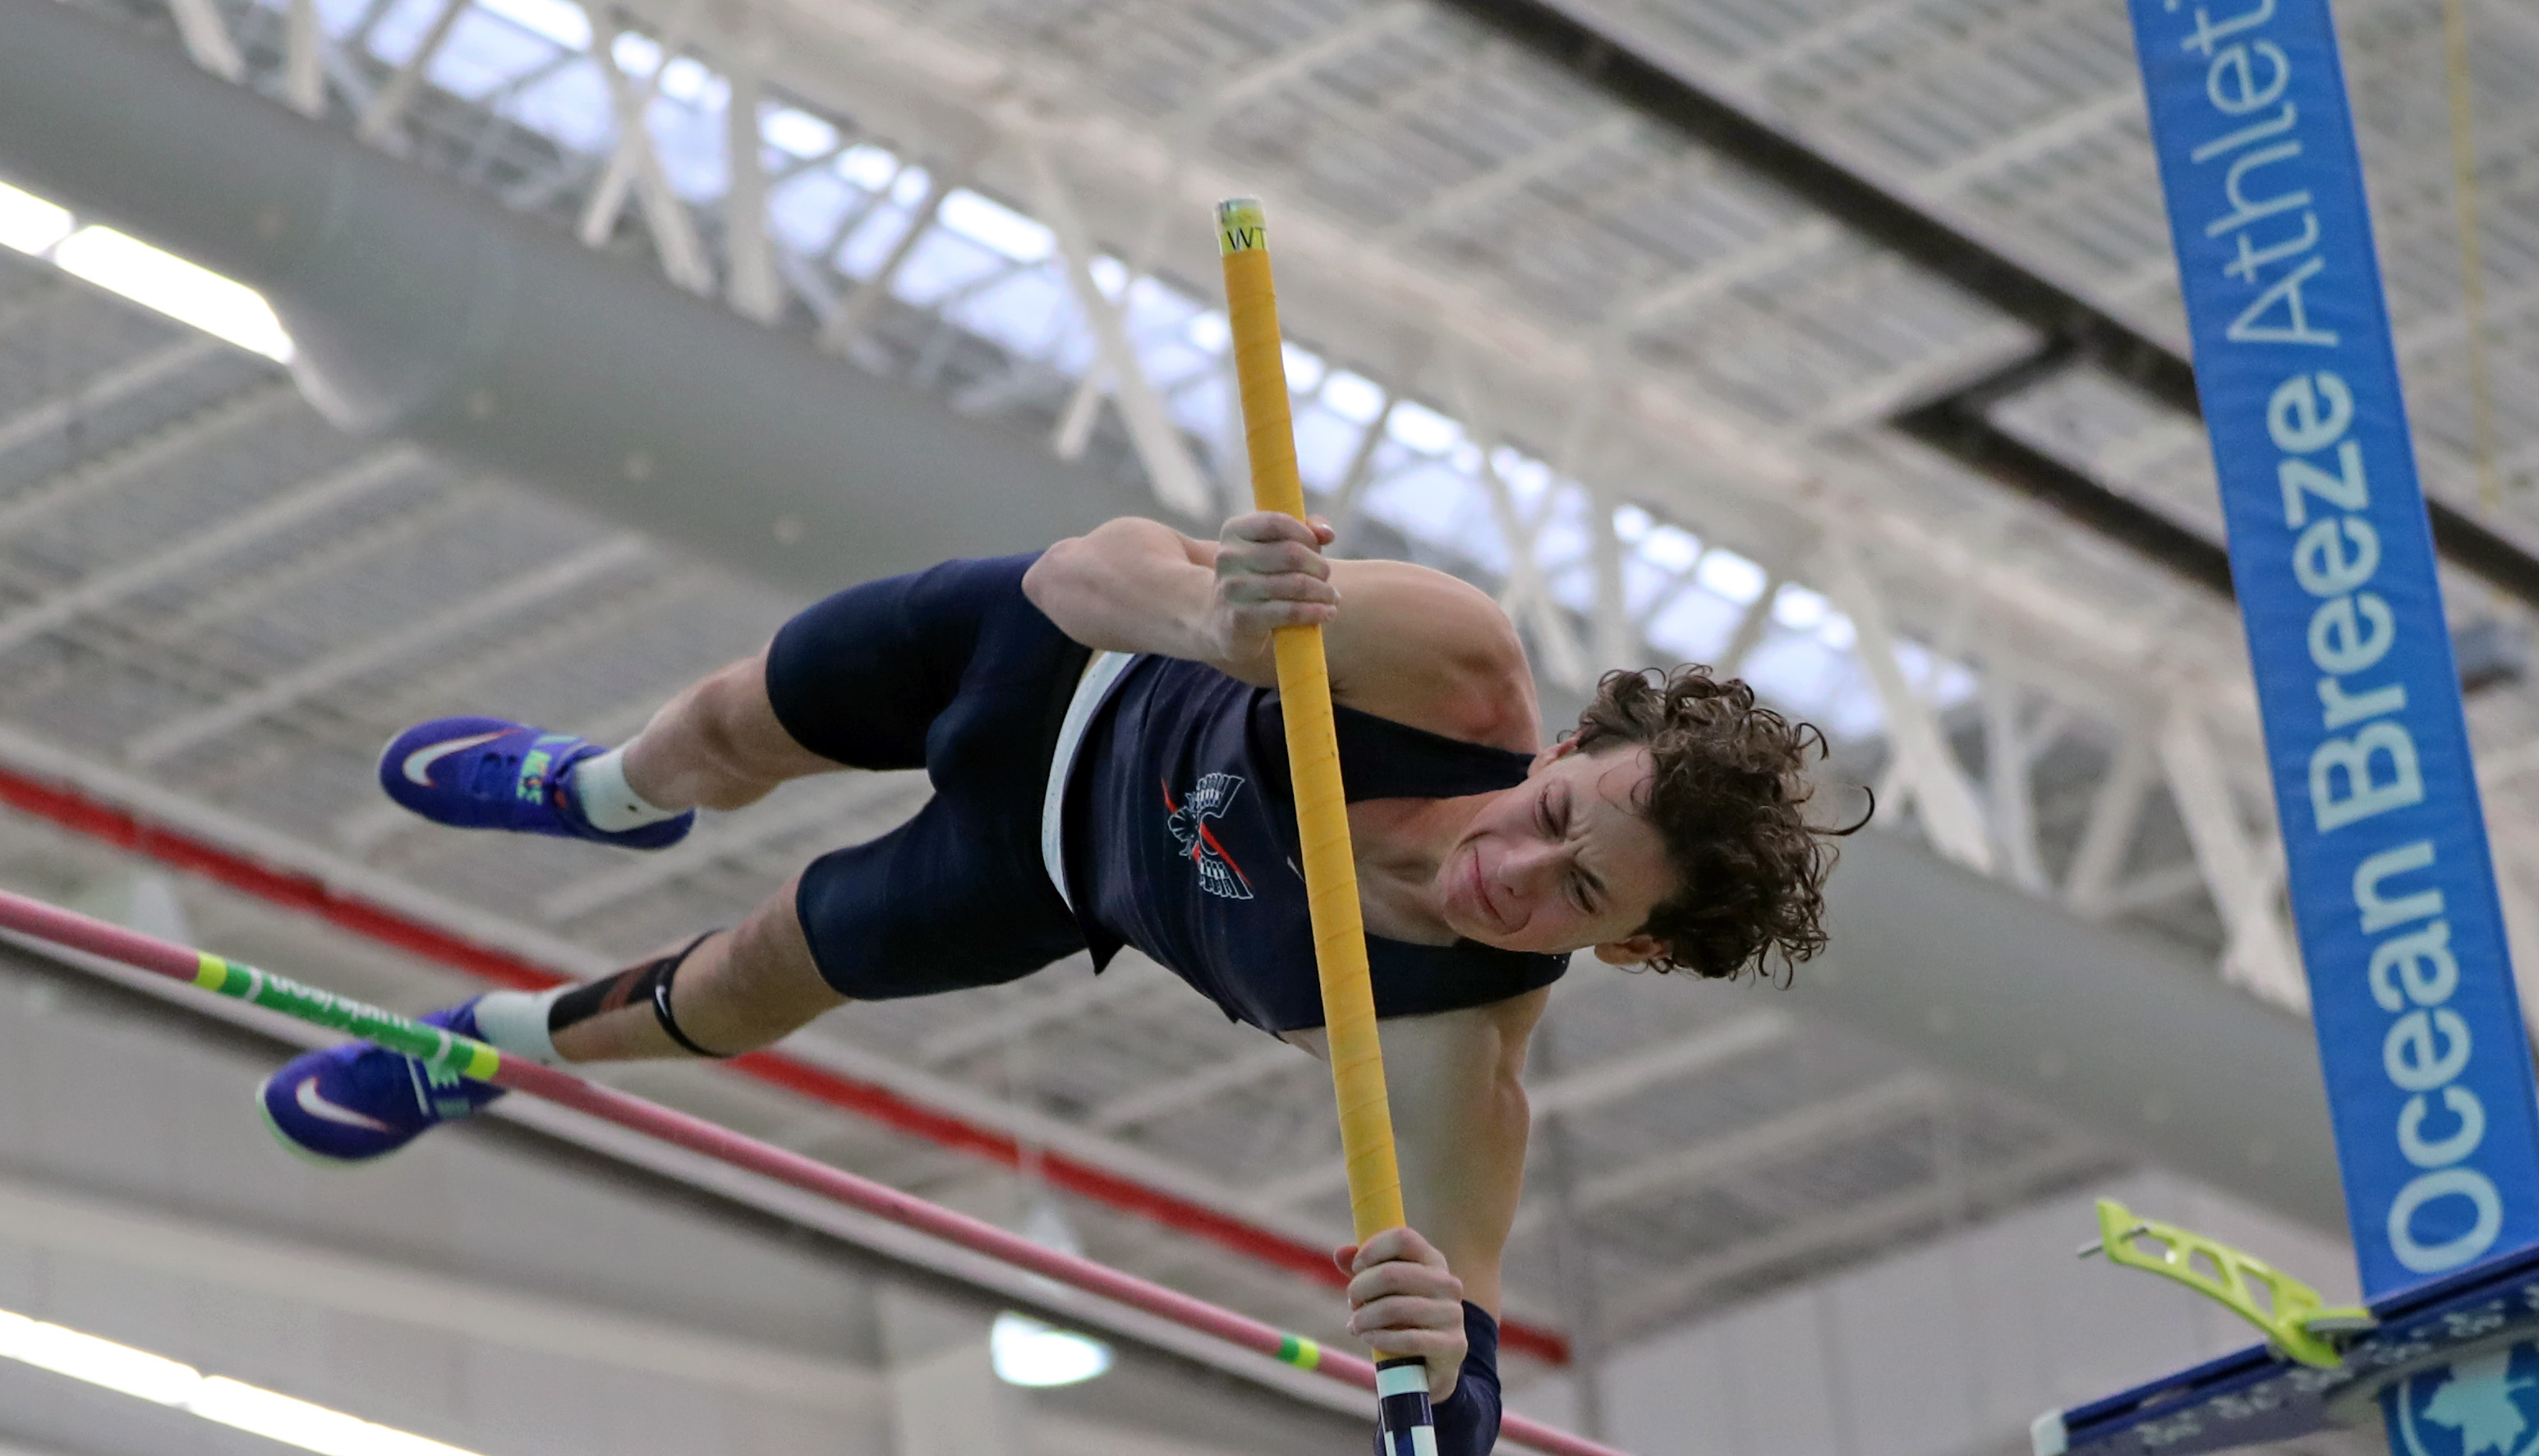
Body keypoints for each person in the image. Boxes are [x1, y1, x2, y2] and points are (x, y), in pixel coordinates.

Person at [260, 510, 1848, 1454]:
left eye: (1576, 895)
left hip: (1049, 876)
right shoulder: (1449, 664)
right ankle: (601, 788)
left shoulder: (1452, 1057)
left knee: (746, 988)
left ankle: (474, 1046)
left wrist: (1441, 1364)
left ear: (1629, 947)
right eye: (1555, 812)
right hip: (1051, 668)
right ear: (1563, 750)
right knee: (725, 733)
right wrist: (1209, 615)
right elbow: (1102, 565)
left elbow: (1456, 1388)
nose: (1515, 865)